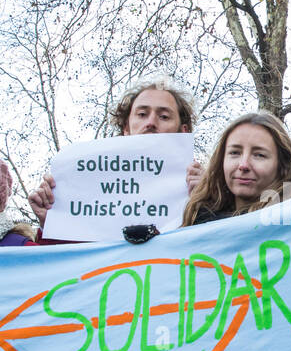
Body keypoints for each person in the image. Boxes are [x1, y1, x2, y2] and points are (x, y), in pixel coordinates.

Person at [28, 78, 204, 235]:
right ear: (126, 129)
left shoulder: (204, 187)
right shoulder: (85, 182)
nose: (150, 123)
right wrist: (52, 222)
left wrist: (208, 202)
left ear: (183, 131)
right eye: (142, 114)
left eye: (164, 116)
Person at [183, 111, 291, 226]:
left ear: (282, 165)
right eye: (235, 153)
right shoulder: (198, 219)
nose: (243, 165)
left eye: (259, 155)